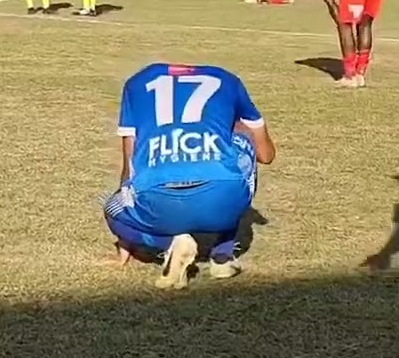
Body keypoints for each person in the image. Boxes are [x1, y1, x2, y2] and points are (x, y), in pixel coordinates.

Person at [104, 63, 276, 289]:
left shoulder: (136, 82)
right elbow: (266, 155)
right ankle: (222, 255)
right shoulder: (228, 79)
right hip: (221, 191)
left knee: (111, 209)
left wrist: (128, 221)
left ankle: (166, 243)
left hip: (157, 191)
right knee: (240, 144)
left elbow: (129, 163)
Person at [302, 0, 389, 88]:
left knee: (344, 23)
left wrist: (340, 23)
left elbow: (332, 4)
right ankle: (360, 72)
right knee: (365, 23)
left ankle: (350, 75)